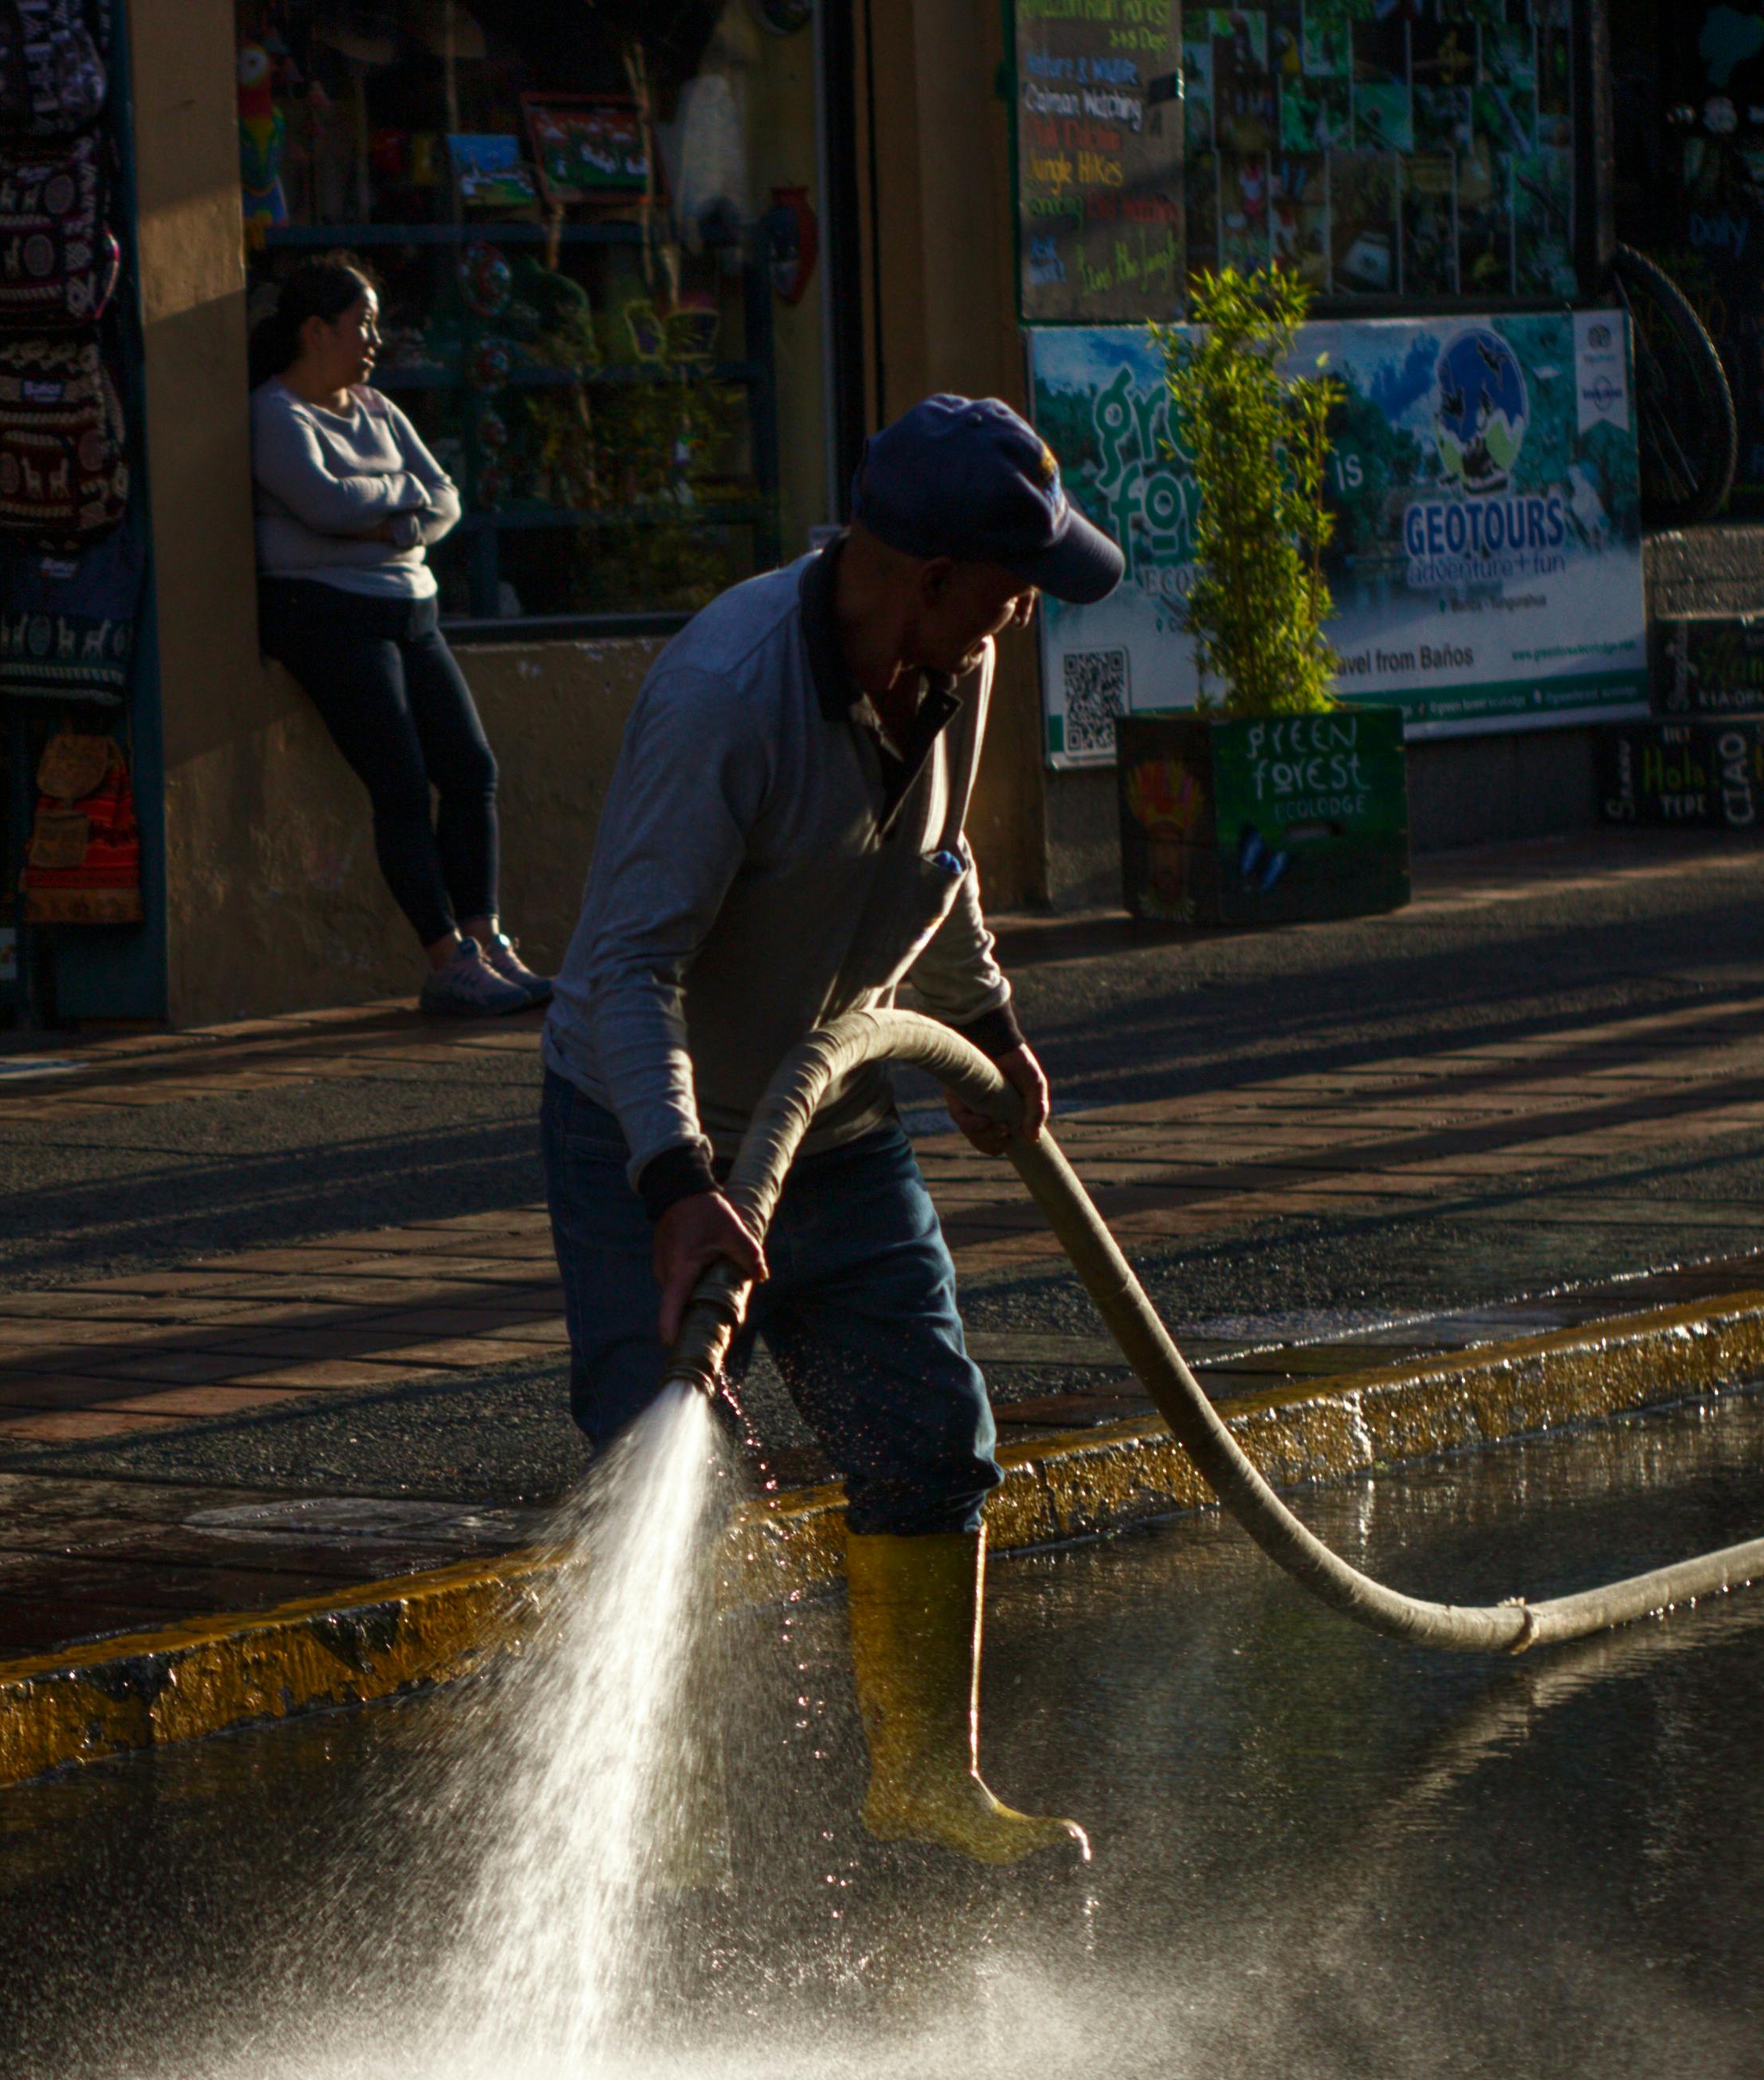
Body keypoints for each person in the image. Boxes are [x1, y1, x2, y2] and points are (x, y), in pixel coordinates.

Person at [539, 395, 1127, 1867]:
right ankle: (655, 1815)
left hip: (837, 1111)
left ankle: (922, 1781)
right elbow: (624, 970)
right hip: (644, 1129)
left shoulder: (949, 659)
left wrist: (982, 1027)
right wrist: (678, 1183)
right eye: (1009, 580)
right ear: (922, 571)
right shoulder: (724, 698)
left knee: (927, 1433)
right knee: (666, 1452)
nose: (1023, 609)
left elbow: (933, 862)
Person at [248, 259, 549, 1019]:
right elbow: (320, 501)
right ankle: (446, 961)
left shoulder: (376, 408)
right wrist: (395, 509)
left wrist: (388, 515)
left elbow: (444, 495)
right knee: (402, 782)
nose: (375, 340)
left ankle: (486, 939)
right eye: (363, 324)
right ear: (316, 331)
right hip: (329, 614)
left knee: (472, 769)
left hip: (413, 610)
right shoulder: (275, 415)